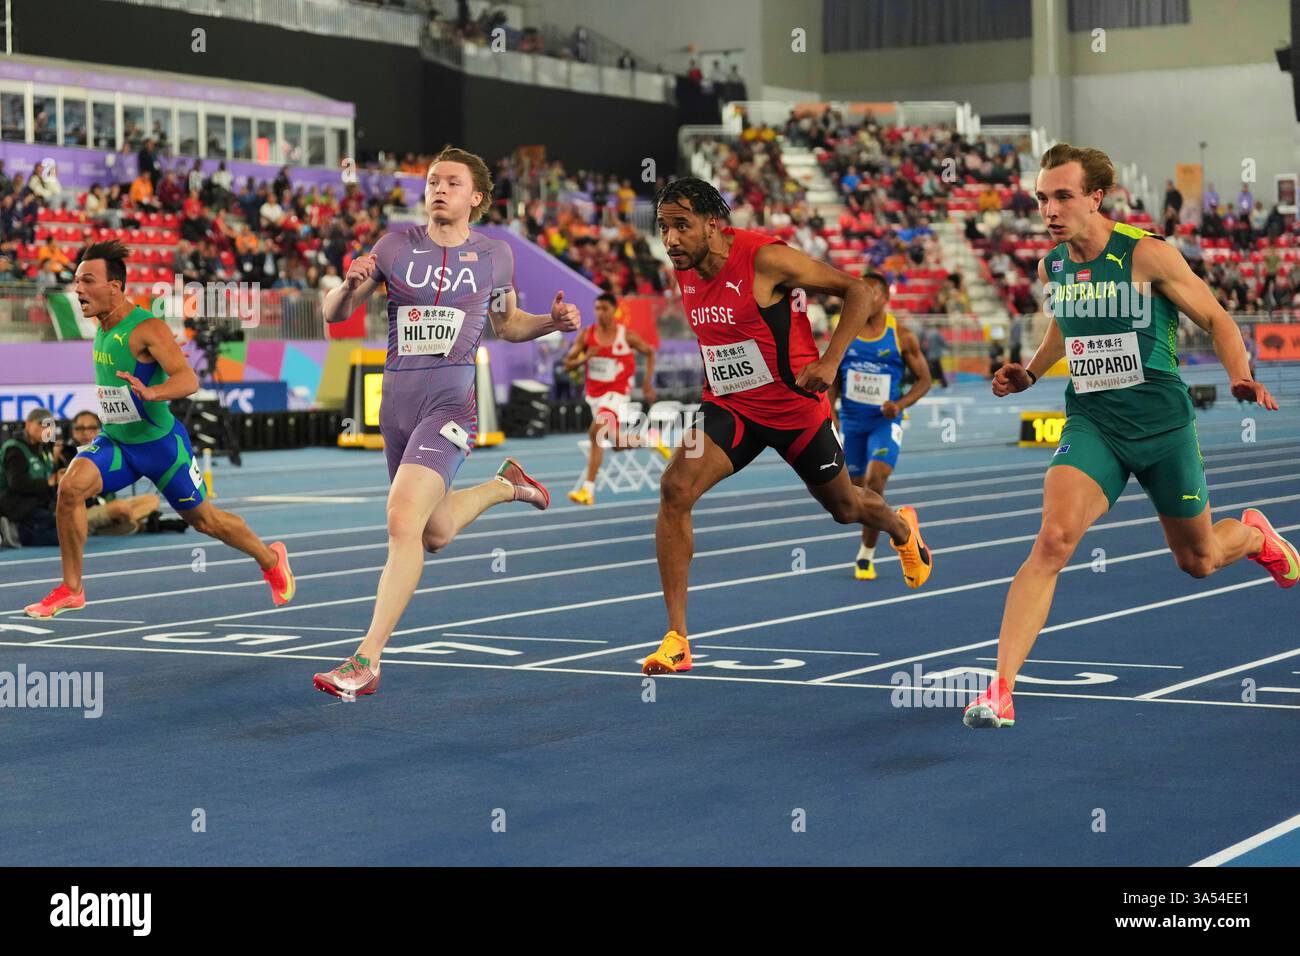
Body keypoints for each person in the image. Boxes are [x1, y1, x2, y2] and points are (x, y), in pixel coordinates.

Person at [964, 143, 1295, 729]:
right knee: (1053, 542)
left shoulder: (1147, 255)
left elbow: (1217, 318)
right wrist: (1032, 372)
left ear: (1096, 197)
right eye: (1042, 198)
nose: (1050, 209)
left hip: (1164, 426)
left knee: (1198, 560)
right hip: (1094, 424)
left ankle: (1253, 536)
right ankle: (1001, 690)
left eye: (1063, 196)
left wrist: (1240, 375)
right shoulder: (1054, 265)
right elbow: (1067, 321)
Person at [311, 146, 581, 700]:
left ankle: (366, 659)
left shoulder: (494, 256)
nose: (438, 189)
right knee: (432, 534)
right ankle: (508, 485)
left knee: (400, 522)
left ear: (475, 197)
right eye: (433, 181)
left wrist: (551, 323)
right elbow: (335, 316)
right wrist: (348, 282)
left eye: (451, 183)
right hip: (397, 409)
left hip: (451, 406)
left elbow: (507, 325)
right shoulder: (392, 247)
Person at [641, 177, 933, 675]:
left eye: (681, 227)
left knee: (846, 509)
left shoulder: (765, 260)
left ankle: (902, 527)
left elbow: (856, 290)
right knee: (675, 489)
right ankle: (678, 639)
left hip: (794, 407)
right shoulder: (685, 268)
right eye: (664, 229)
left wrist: (831, 361)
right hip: (732, 407)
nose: (670, 240)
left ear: (714, 225)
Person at [22, 240, 296, 619]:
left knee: (206, 521)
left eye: (87, 281)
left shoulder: (147, 327)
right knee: (70, 489)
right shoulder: (103, 324)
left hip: (162, 448)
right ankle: (72, 589)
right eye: (75, 281)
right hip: (118, 442)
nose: (78, 289)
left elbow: (188, 379)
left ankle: (270, 558)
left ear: (114, 288)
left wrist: (153, 391)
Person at [828, 273, 932, 580]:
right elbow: (832, 377)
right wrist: (830, 411)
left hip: (884, 423)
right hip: (851, 422)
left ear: (884, 298)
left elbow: (925, 380)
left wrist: (899, 405)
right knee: (854, 494)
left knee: (875, 480)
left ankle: (866, 554)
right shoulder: (845, 332)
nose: (863, 299)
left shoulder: (901, 335)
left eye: (870, 294)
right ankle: (899, 526)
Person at [563, 292, 666, 505]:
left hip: (617, 395)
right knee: (618, 443)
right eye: (597, 308)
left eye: (605, 308)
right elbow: (568, 364)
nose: (600, 313)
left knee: (596, 432)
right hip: (595, 397)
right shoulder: (586, 335)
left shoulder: (625, 335)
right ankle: (650, 439)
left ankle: (587, 490)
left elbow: (649, 352)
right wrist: (586, 357)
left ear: (614, 310)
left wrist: (647, 382)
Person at [0, 407, 64, 548]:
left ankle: (20, 532)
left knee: (68, 527)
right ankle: (14, 532)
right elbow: (17, 484)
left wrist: (56, 474)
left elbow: (46, 475)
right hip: (16, 505)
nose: (46, 429)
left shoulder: (43, 449)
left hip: (37, 505)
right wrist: (49, 482)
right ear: (28, 424)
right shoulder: (15, 449)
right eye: (41, 424)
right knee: (63, 535)